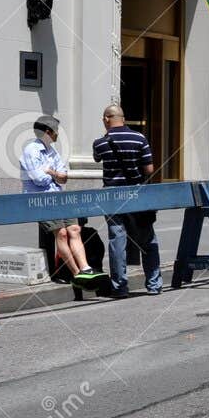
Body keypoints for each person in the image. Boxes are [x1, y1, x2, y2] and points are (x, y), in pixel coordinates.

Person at [21, 117, 102, 284]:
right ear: (48, 132)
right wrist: (55, 174)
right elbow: (38, 179)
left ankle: (86, 268)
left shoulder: (52, 151)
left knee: (74, 229)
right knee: (62, 233)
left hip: (58, 197)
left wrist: (50, 172)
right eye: (56, 130)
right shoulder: (31, 150)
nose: (58, 134)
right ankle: (76, 273)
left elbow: (64, 177)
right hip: (41, 200)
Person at [93, 105, 162, 298]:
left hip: (112, 197)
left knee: (117, 240)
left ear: (107, 119)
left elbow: (97, 159)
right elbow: (149, 170)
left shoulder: (100, 143)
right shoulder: (140, 138)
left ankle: (120, 287)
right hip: (136, 195)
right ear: (123, 118)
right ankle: (154, 284)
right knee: (148, 239)